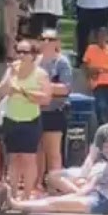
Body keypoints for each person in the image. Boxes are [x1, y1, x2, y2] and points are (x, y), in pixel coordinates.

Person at [0, 136, 108, 215]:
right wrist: (76, 195)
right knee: (54, 200)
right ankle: (14, 204)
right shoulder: (105, 165)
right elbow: (91, 186)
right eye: (106, 147)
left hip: (101, 204)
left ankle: (14, 204)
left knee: (55, 205)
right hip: (93, 195)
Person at [0, 37, 49, 201]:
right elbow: (2, 91)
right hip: (11, 118)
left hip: (30, 120)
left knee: (28, 158)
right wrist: (10, 75)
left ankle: (26, 194)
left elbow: (45, 98)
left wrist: (21, 91)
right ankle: (13, 194)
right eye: (18, 52)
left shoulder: (40, 74)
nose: (20, 55)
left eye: (24, 52)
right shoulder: (12, 70)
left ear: (33, 55)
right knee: (14, 157)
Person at [34, 29, 74, 180]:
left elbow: (65, 88)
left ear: (57, 42)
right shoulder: (36, 61)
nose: (46, 42)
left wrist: (42, 87)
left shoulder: (62, 62)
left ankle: (55, 184)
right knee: (38, 151)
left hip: (55, 111)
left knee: (53, 152)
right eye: (43, 39)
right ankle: (38, 184)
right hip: (35, 111)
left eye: (50, 39)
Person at [83, 22, 108, 123]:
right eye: (100, 35)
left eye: (104, 35)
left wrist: (98, 69)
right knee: (101, 107)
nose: (102, 38)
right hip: (98, 84)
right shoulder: (91, 49)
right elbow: (85, 64)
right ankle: (102, 129)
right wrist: (91, 72)